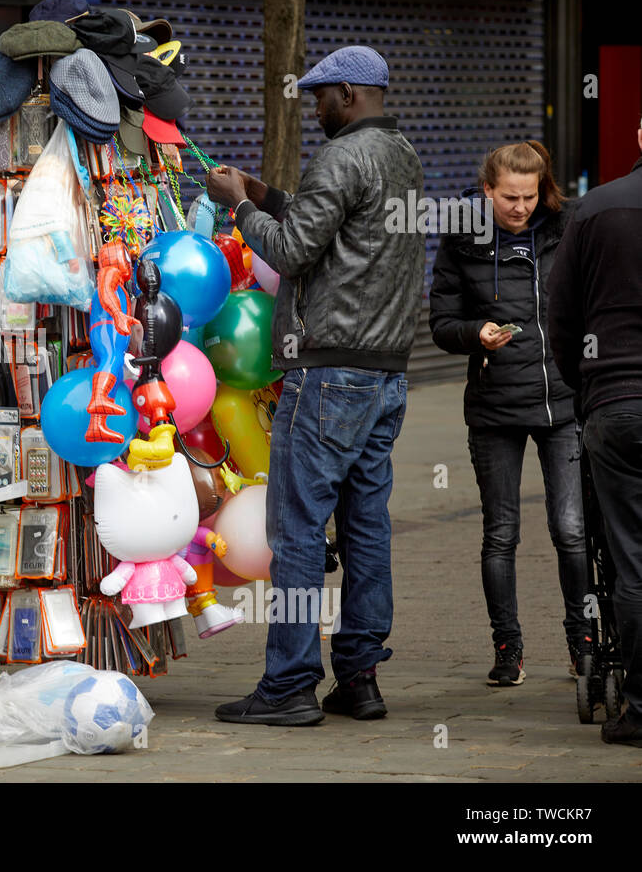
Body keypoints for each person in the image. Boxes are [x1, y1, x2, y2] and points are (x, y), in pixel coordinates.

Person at [203, 46, 424, 726]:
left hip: (329, 372)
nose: (316, 107)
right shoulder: (405, 157)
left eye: (322, 97)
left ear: (350, 96)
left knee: (296, 530)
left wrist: (240, 208)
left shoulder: (340, 156)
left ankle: (290, 684)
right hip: (385, 373)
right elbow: (329, 226)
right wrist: (268, 195)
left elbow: (294, 250)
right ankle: (359, 677)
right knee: (365, 527)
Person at [428, 141, 591, 687]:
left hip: (563, 402)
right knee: (501, 533)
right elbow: (441, 322)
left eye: (530, 196)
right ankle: (508, 649)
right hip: (495, 406)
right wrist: (475, 333)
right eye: (509, 198)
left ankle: (583, 645)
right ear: (487, 192)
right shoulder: (462, 242)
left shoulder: (568, 230)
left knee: (571, 530)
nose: (520, 208)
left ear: (543, 190)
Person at [548, 118, 642, 747]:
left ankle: (640, 703)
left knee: (629, 557)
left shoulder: (594, 210)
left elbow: (562, 319)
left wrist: (586, 386)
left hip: (616, 401)